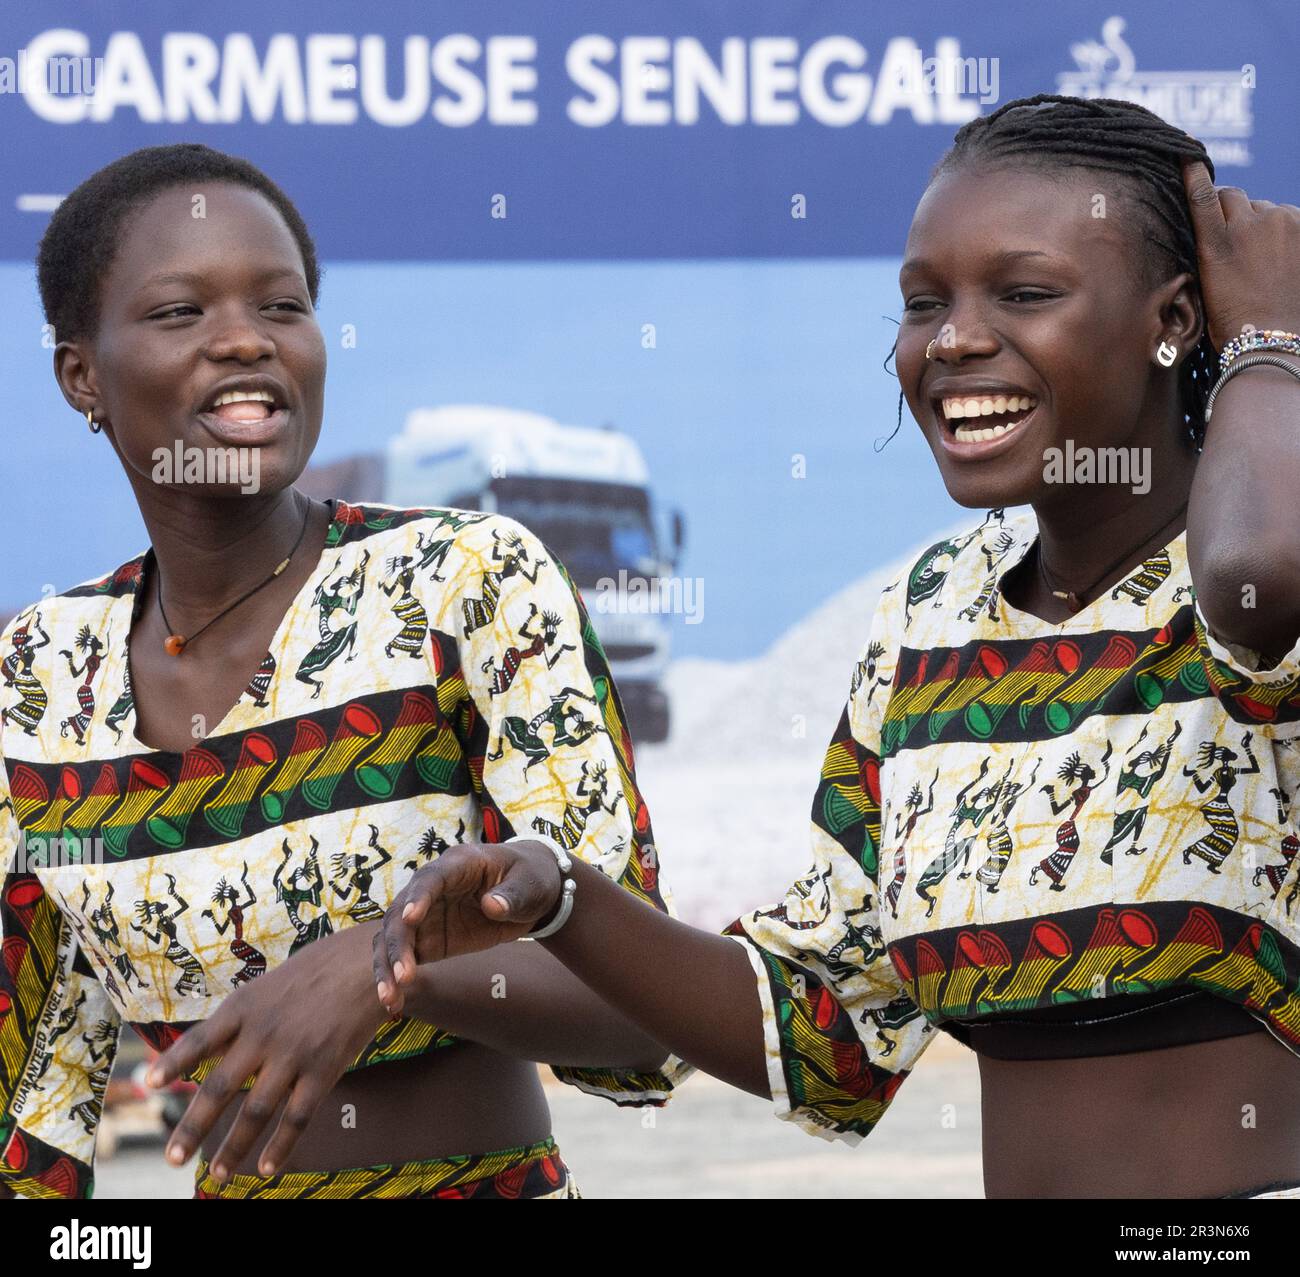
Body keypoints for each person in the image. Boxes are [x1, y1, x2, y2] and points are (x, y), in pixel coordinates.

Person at [367, 96, 1300, 1200]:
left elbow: (1255, 586)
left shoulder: (1253, 560)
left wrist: (1269, 340)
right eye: (921, 301)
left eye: (1024, 292)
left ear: (1176, 319)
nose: (950, 338)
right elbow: (821, 1024)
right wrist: (564, 898)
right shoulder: (929, 611)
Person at [0, 144, 683, 1200]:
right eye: (181, 313)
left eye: (282, 306)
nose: (244, 341)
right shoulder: (37, 676)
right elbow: (34, 1097)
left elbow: (644, 1009)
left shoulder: (467, 583)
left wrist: (388, 974)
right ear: (81, 373)